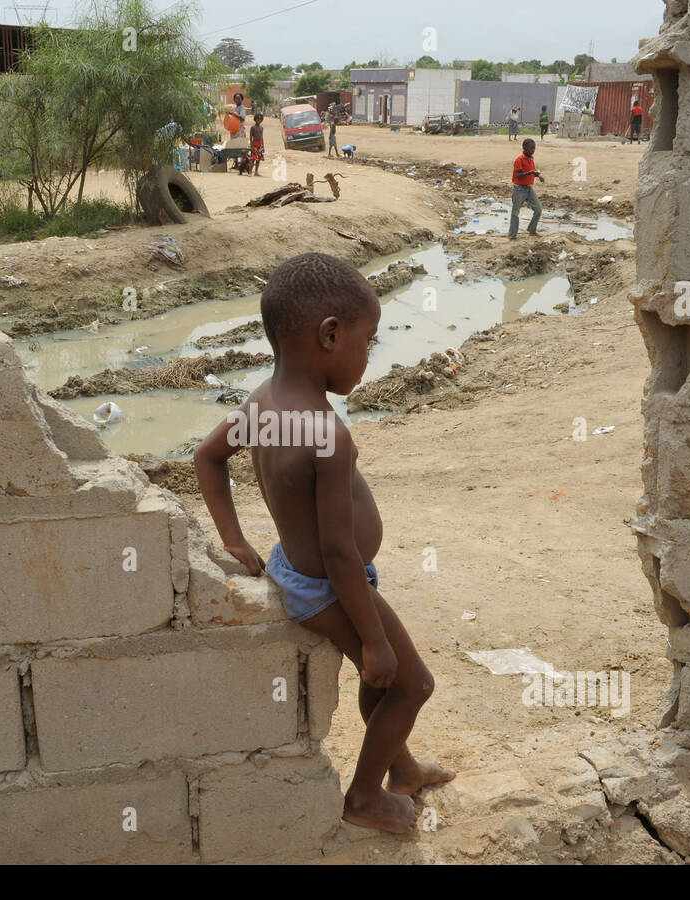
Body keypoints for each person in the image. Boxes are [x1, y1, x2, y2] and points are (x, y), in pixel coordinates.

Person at [193, 252, 454, 834]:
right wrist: (372, 636)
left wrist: (234, 538)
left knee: (380, 680)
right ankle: (362, 799)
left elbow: (207, 457)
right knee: (412, 684)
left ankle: (403, 770)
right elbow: (339, 552)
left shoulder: (263, 401)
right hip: (332, 585)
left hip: (304, 570)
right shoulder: (325, 433)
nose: (369, 355)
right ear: (331, 335)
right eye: (368, 341)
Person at [508, 137, 544, 240]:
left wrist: (538, 175)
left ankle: (532, 230)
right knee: (515, 212)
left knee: (538, 209)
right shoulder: (519, 160)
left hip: (528, 188)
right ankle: (512, 235)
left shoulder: (531, 159)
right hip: (519, 189)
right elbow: (518, 175)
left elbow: (532, 171)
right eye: (531, 148)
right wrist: (531, 172)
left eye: (534, 148)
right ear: (524, 148)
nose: (533, 150)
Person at [246, 112, 265, 176]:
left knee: (258, 159)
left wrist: (263, 146)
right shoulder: (253, 127)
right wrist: (251, 146)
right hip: (254, 144)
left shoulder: (261, 128)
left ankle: (256, 172)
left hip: (260, 144)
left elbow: (262, 137)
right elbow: (250, 137)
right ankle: (250, 172)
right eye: (258, 119)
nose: (259, 120)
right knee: (253, 159)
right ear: (255, 119)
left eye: (260, 119)